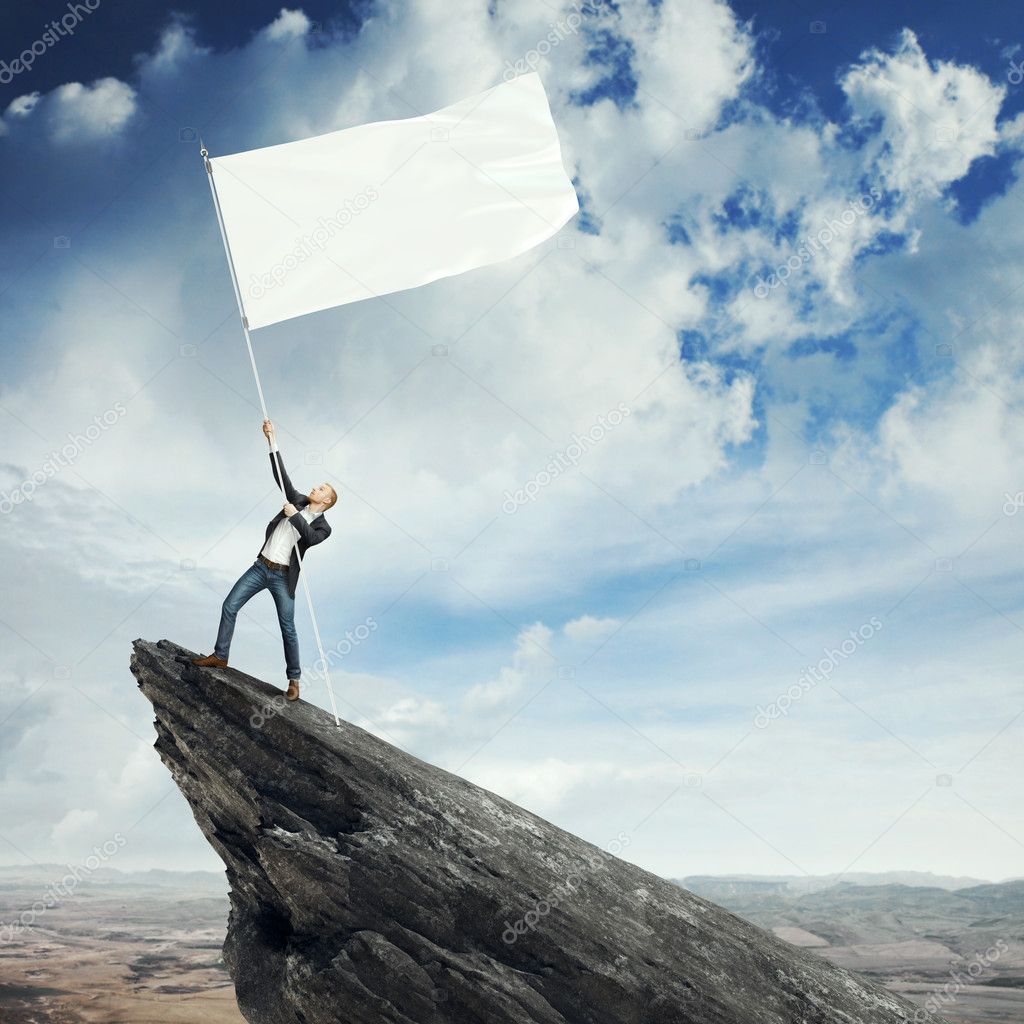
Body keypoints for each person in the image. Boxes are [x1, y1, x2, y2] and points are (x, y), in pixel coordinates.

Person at [192, 419, 337, 702]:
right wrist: (271, 439)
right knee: (229, 605)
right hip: (261, 567)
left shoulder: (324, 528)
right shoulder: (298, 499)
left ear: (327, 501)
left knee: (288, 629)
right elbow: (281, 476)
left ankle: (294, 680)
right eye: (317, 486)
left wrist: (293, 514)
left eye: (321, 489)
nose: (314, 488)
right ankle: (220, 656)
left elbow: (308, 537)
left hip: (284, 578)